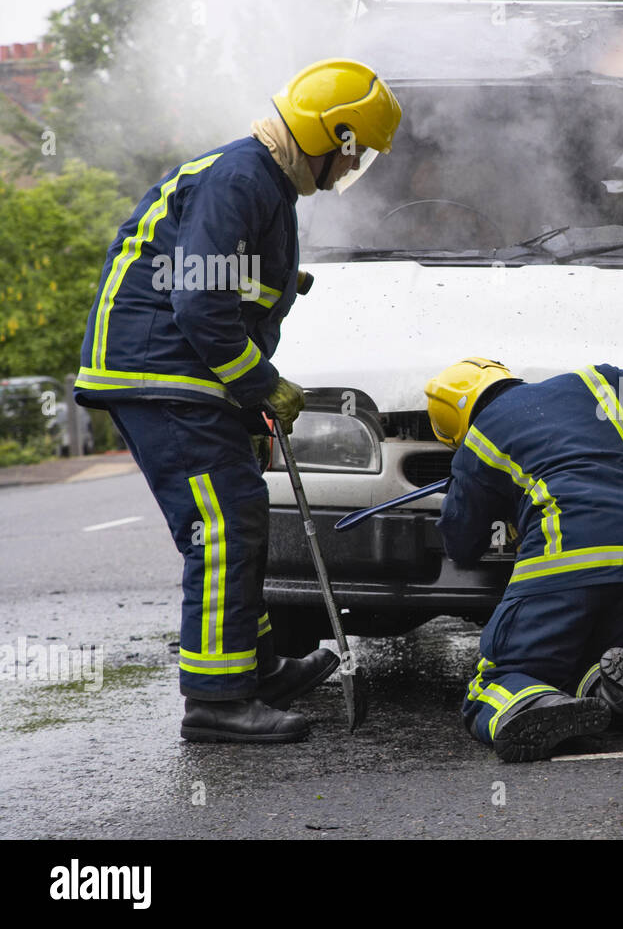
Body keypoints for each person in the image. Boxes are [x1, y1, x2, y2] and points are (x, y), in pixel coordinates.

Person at [73, 59, 402, 742]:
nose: (353, 167)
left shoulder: (267, 184)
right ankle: (217, 703)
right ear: (329, 135)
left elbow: (235, 301)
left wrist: (248, 396)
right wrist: (262, 386)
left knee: (241, 513)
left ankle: (253, 667)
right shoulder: (242, 178)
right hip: (161, 373)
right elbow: (200, 303)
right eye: (354, 151)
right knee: (221, 527)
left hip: (186, 377)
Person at [429, 358, 623, 762]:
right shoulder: (598, 382)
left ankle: (527, 704)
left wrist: (508, 516)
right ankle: (611, 685)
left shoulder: (479, 438)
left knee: (494, 682)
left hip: (567, 568)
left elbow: (462, 544)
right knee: (591, 660)